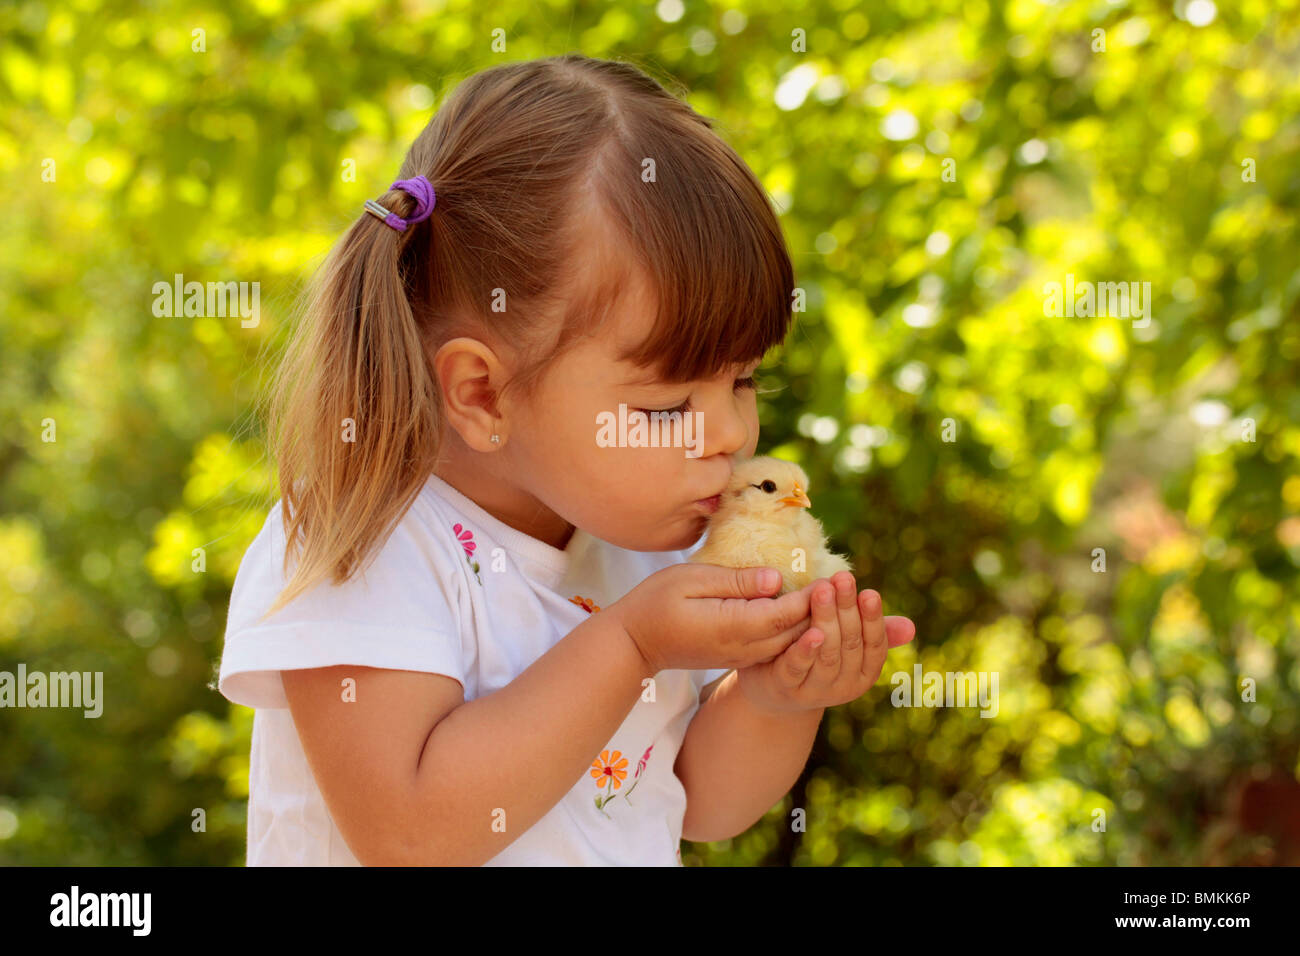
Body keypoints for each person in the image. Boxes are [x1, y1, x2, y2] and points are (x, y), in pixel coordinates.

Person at [218, 53, 914, 866]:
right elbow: (409, 835)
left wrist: (775, 699)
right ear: (483, 395)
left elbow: (700, 803)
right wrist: (631, 645)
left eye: (745, 379)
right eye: (666, 407)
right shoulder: (365, 540)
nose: (729, 434)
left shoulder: (635, 540)